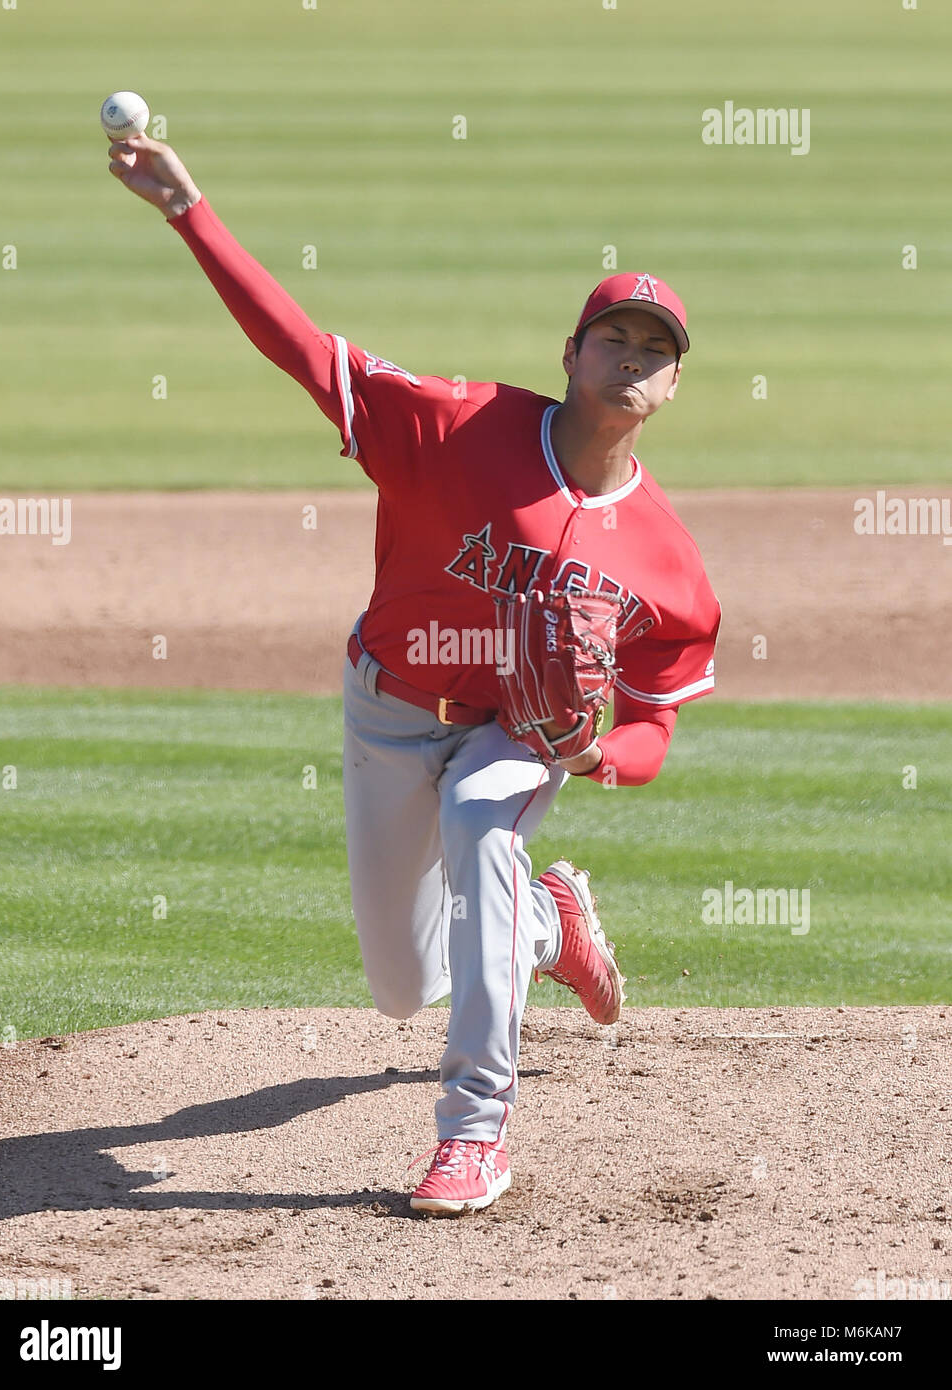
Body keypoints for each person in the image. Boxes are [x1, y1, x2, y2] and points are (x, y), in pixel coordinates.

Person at [107, 132, 721, 1216]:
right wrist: (188, 212)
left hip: (512, 736)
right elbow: (303, 351)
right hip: (386, 708)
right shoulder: (453, 425)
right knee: (402, 985)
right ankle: (546, 919)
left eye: (652, 348)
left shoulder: (666, 557)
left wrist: (591, 751)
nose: (630, 358)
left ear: (673, 383)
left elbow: (654, 732)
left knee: (486, 814)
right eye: (611, 338)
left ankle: (474, 1133)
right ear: (570, 353)